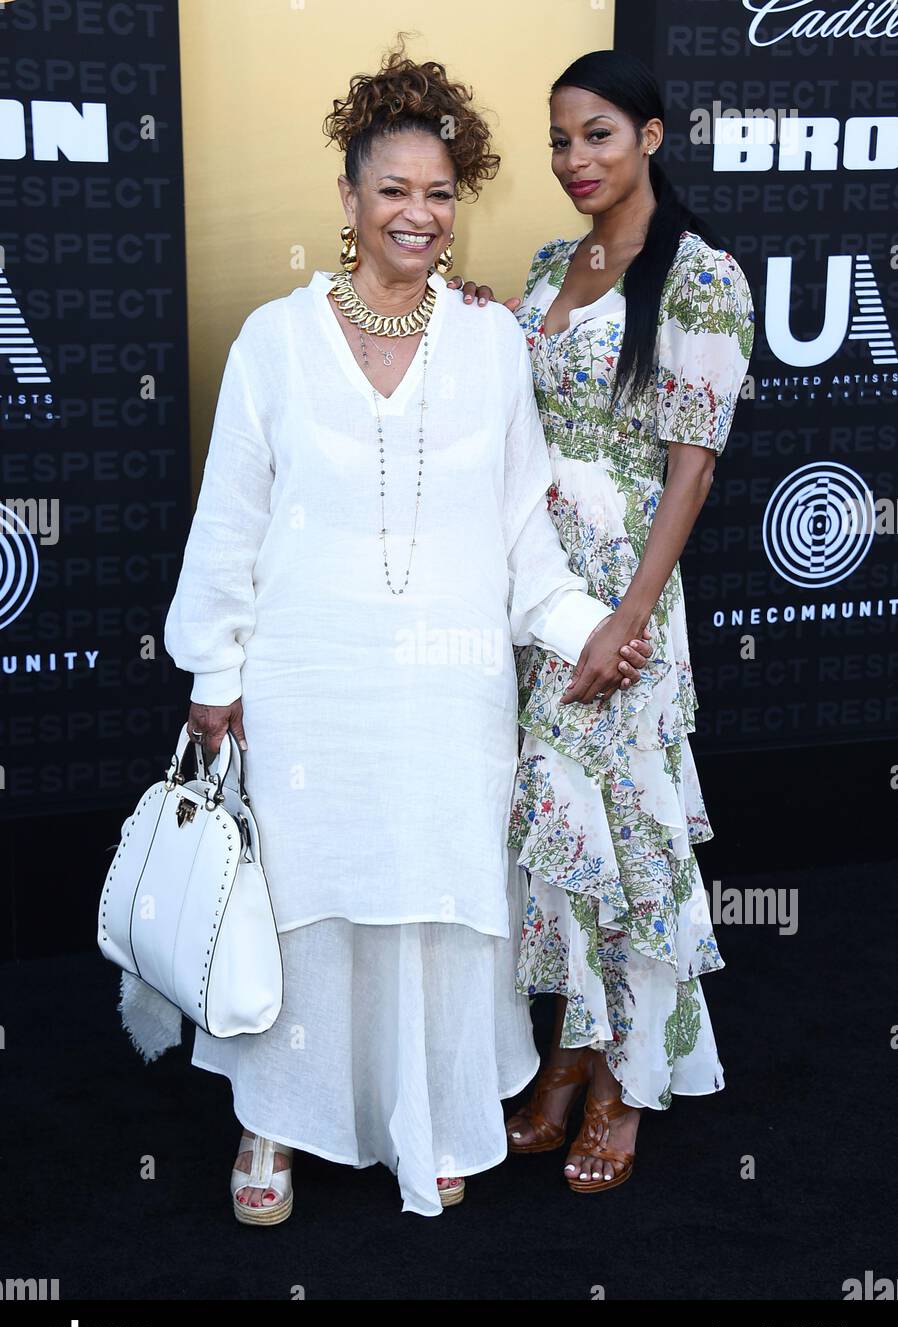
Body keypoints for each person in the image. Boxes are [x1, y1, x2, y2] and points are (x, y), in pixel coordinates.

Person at [117, 40, 653, 1221]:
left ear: (460, 207)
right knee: (310, 901)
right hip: (310, 682)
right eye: (394, 190)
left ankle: (435, 1109)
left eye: (440, 192)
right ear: (349, 199)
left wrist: (586, 628)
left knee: (436, 903)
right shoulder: (273, 341)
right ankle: (273, 1124)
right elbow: (232, 518)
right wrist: (214, 664)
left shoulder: (489, 344)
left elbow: (524, 534)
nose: (419, 213)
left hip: (451, 689)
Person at [447, 49, 755, 1193]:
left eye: (600, 136)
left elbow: (692, 467)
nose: (577, 159)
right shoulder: (546, 264)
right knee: (557, 839)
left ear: (653, 137)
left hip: (623, 598)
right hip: (532, 593)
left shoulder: (700, 276)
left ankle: (627, 1081)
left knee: (627, 839)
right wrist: (491, 319)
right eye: (562, 139)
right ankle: (568, 1055)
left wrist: (626, 621)